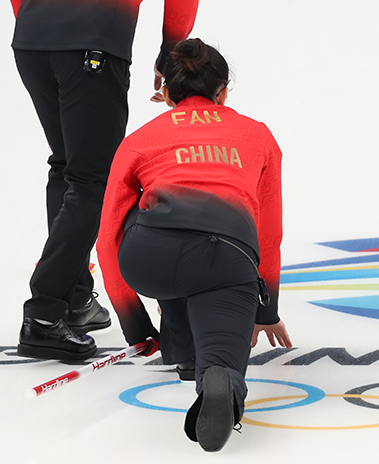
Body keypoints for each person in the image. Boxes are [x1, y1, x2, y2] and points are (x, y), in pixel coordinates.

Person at [4, 0, 204, 360]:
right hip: (93, 44)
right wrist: (172, 51)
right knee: (93, 178)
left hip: (33, 40)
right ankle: (44, 313)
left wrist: (45, 32)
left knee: (68, 166)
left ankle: (73, 298)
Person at [96, 38, 290, 452]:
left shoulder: (140, 139)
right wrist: (265, 309)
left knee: (142, 213)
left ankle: (182, 351)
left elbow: (108, 234)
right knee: (222, 341)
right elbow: (268, 233)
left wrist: (135, 325)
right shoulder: (258, 136)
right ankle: (218, 375)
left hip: (149, 257)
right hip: (224, 258)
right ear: (223, 93)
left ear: (166, 94)